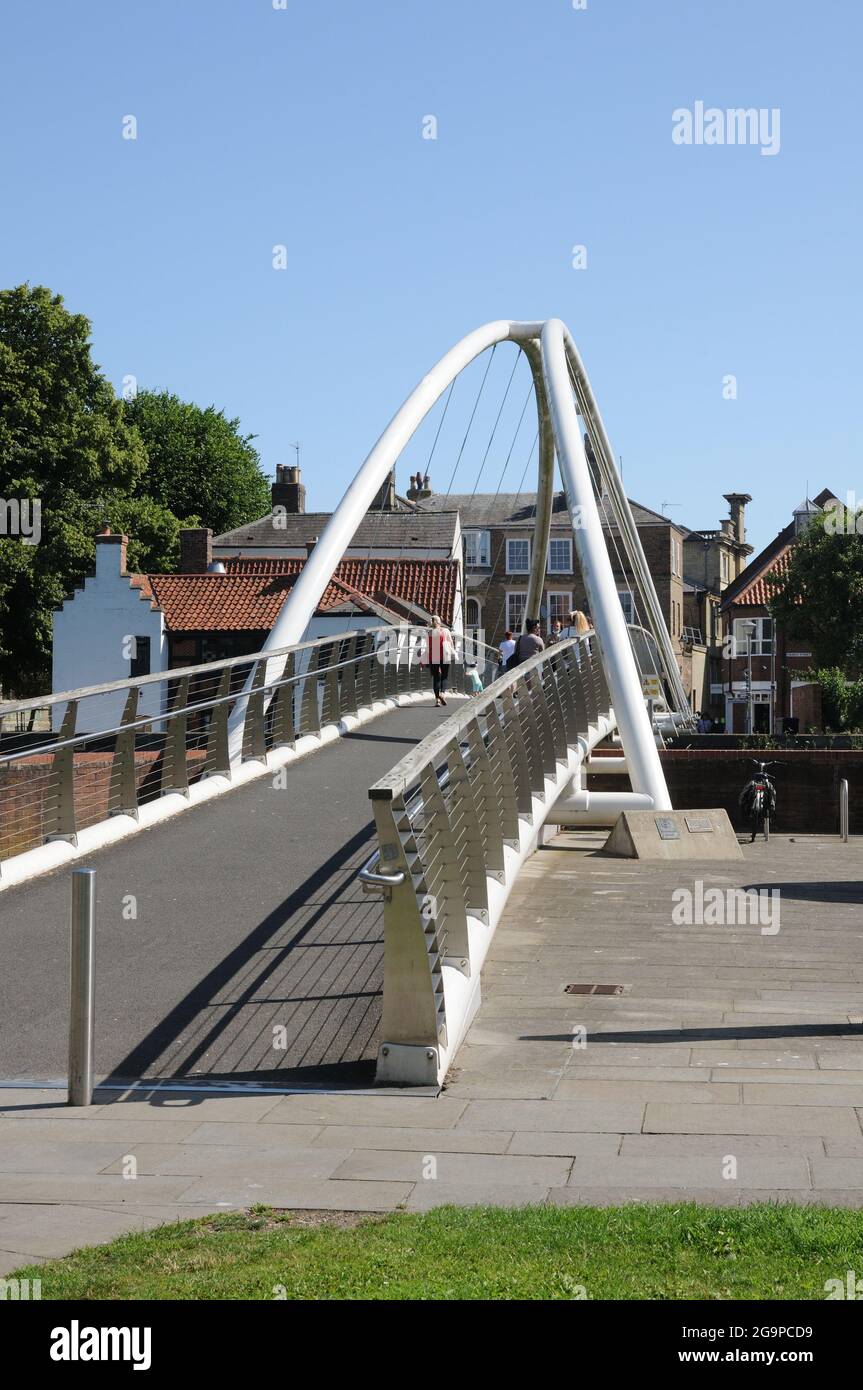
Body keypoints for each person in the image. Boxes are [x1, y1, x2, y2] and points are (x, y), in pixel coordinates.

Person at [423, 614, 453, 706]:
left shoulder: (429, 633)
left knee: (436, 678)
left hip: (434, 657)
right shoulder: (446, 631)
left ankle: (437, 700)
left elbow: (428, 648)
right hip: (444, 656)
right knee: (444, 676)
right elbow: (450, 643)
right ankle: (442, 694)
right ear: (439, 621)